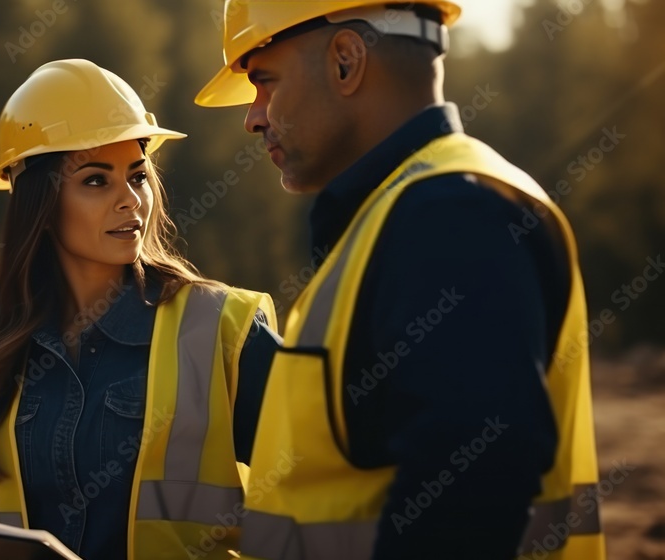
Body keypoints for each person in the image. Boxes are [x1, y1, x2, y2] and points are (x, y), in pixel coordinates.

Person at [196, 2, 604, 559]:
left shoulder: (452, 213)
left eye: (265, 81)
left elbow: (474, 487)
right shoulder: (405, 214)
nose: (253, 117)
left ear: (345, 61)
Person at [0, 59, 280, 560]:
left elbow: (317, 490)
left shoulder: (223, 329)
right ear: (39, 204)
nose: (131, 201)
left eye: (138, 176)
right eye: (97, 181)